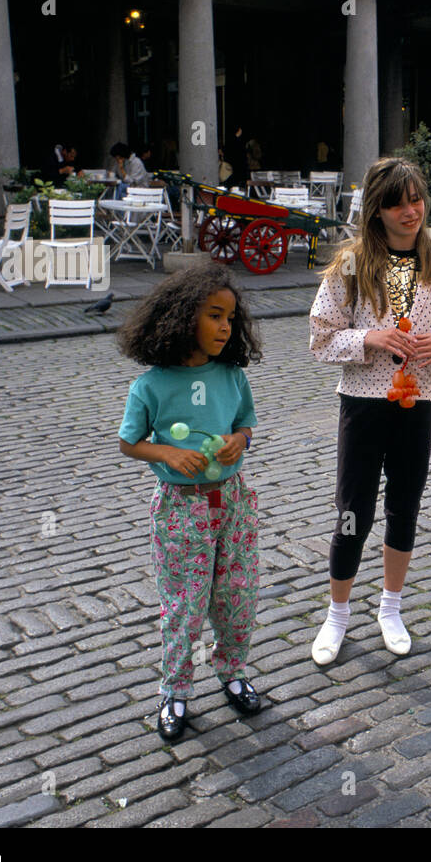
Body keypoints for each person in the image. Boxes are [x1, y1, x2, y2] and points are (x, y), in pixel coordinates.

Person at [308, 157, 431, 665]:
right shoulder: (353, 264)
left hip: (417, 404)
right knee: (354, 510)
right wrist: (370, 337)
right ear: (377, 210)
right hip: (362, 404)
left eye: (416, 199)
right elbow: (320, 337)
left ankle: (391, 607)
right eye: (397, 202)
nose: (411, 210)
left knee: (405, 506)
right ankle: (337, 616)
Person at [116, 264, 265, 743]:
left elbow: (245, 425)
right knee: (185, 603)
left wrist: (238, 441)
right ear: (182, 319)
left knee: (237, 595)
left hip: (234, 503)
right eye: (215, 316)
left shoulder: (231, 376)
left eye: (231, 318)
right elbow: (129, 441)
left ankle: (233, 671)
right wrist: (166, 453)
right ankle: (175, 690)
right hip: (181, 510)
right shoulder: (151, 386)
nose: (225, 327)